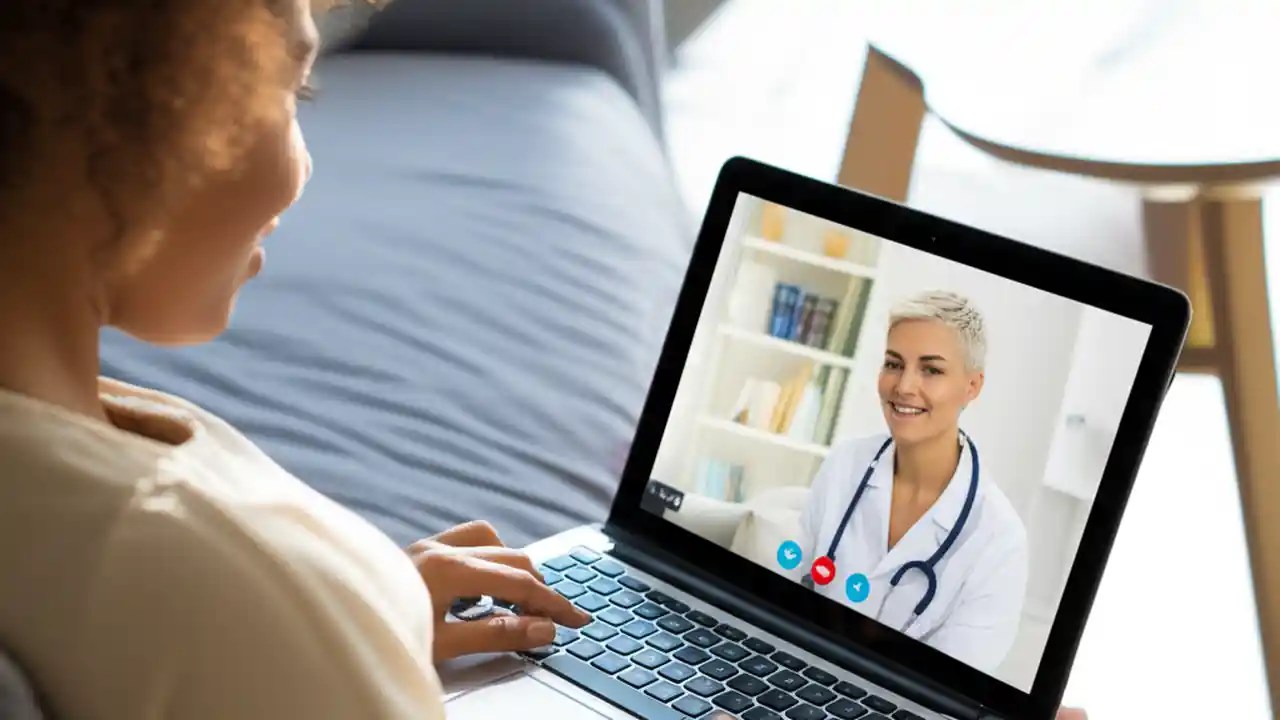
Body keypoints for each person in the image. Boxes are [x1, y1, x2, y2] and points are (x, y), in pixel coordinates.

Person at [0, 2, 1085, 718]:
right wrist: (307, 618)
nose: (301, 163)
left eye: (928, 371)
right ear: (143, 116)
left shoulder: (70, 451)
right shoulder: (181, 567)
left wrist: (362, 607)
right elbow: (200, 604)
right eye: (293, 91)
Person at [797, 291, 1029, 674]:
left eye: (931, 370)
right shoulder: (845, 465)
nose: (903, 386)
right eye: (893, 363)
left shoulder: (1000, 541)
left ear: (972, 386)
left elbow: (948, 697)